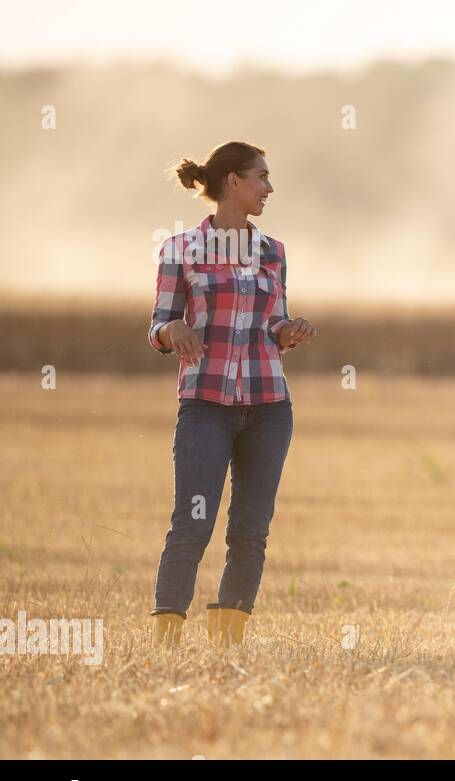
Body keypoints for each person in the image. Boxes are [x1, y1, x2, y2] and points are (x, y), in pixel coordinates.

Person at [147, 141, 316, 648]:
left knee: (250, 531)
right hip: (205, 407)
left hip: (268, 407)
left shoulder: (274, 252)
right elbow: (157, 326)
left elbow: (275, 322)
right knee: (192, 524)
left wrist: (289, 331)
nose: (269, 187)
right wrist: (172, 331)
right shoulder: (180, 250)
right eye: (261, 177)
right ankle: (165, 644)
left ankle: (227, 646)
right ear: (233, 183)